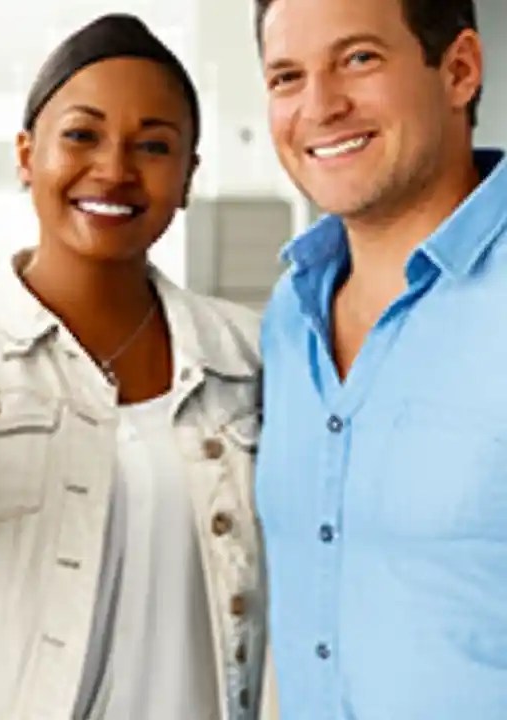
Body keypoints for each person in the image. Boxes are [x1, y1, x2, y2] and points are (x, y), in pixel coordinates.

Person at [0, 13, 273, 720]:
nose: (114, 168)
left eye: (155, 146)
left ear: (190, 175)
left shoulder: (248, 358)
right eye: (81, 135)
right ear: (24, 154)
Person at [252, 0, 507, 718]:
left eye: (359, 59)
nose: (320, 106)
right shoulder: (288, 316)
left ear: (459, 71)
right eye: (286, 77)